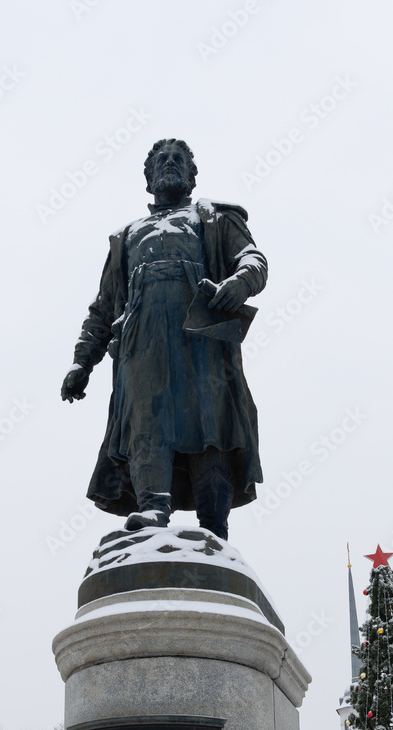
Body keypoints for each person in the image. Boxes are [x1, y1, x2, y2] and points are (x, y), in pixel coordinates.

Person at [61, 138, 267, 540]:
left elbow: (253, 259)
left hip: (202, 345)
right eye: (161, 159)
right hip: (142, 348)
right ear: (148, 177)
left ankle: (213, 526)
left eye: (179, 160)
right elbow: (103, 308)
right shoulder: (127, 237)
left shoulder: (213, 219)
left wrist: (240, 283)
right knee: (146, 425)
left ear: (192, 175)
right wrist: (82, 362)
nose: (170, 164)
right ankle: (153, 508)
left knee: (213, 430)